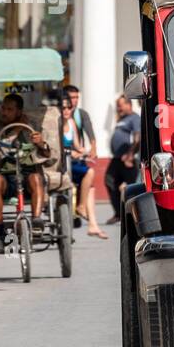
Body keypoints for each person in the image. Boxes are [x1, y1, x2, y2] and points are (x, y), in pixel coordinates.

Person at [0, 93, 50, 246]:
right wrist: (15, 131)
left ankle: (36, 222)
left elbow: (48, 153)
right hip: (6, 176)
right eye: (3, 108)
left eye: (9, 109)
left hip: (28, 175)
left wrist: (41, 143)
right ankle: (1, 231)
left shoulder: (33, 125)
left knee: (36, 178)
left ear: (19, 111)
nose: (4, 112)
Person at [62, 84, 106, 239]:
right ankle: (88, 220)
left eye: (76, 98)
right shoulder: (57, 119)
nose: (73, 103)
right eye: (71, 98)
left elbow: (88, 135)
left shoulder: (79, 116)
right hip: (62, 161)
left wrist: (89, 151)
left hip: (75, 160)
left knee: (90, 185)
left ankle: (92, 223)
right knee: (89, 181)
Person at [105, 95, 141, 224]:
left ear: (128, 104)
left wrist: (131, 154)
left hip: (128, 159)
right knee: (109, 181)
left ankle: (136, 215)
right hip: (117, 159)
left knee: (133, 187)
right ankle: (118, 214)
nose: (118, 108)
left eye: (120, 105)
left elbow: (137, 137)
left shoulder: (134, 118)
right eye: (117, 106)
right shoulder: (122, 119)